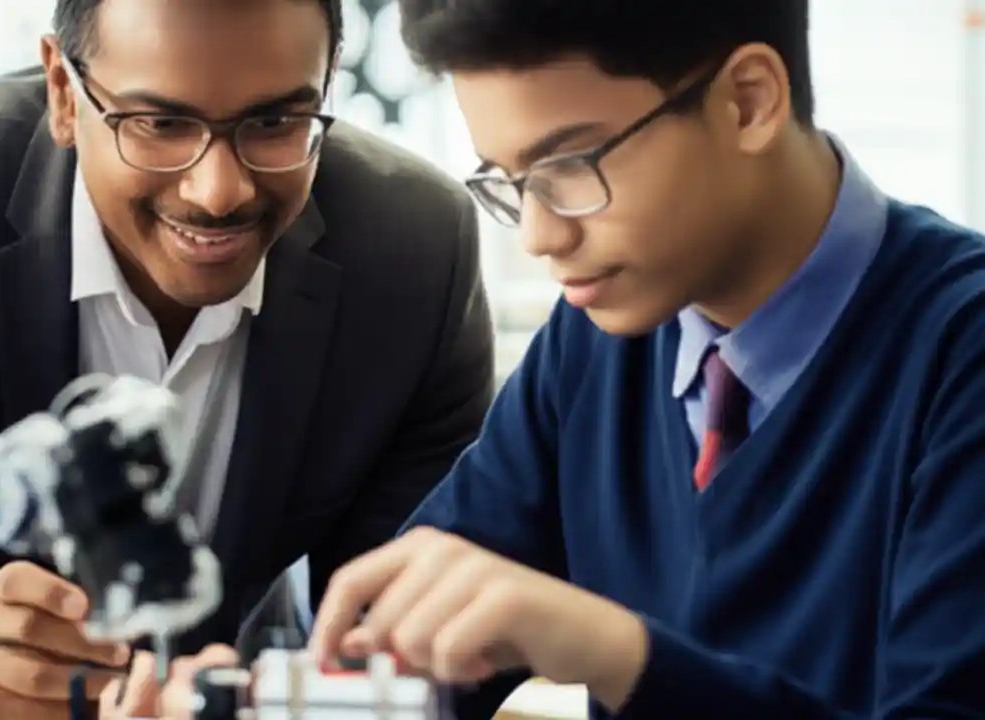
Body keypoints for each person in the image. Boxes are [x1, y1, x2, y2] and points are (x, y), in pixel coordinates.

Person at [0, 0, 496, 718]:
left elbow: (416, 616)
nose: (218, 192)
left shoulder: (417, 250)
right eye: (159, 124)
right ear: (63, 91)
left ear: (327, 81)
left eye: (275, 122)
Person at [300, 1, 985, 719]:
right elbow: (412, 645)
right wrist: (286, 692)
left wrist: (615, 653)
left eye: (569, 164)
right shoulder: (592, 339)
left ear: (748, 102)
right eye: (509, 180)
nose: (538, 236)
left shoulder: (957, 356)